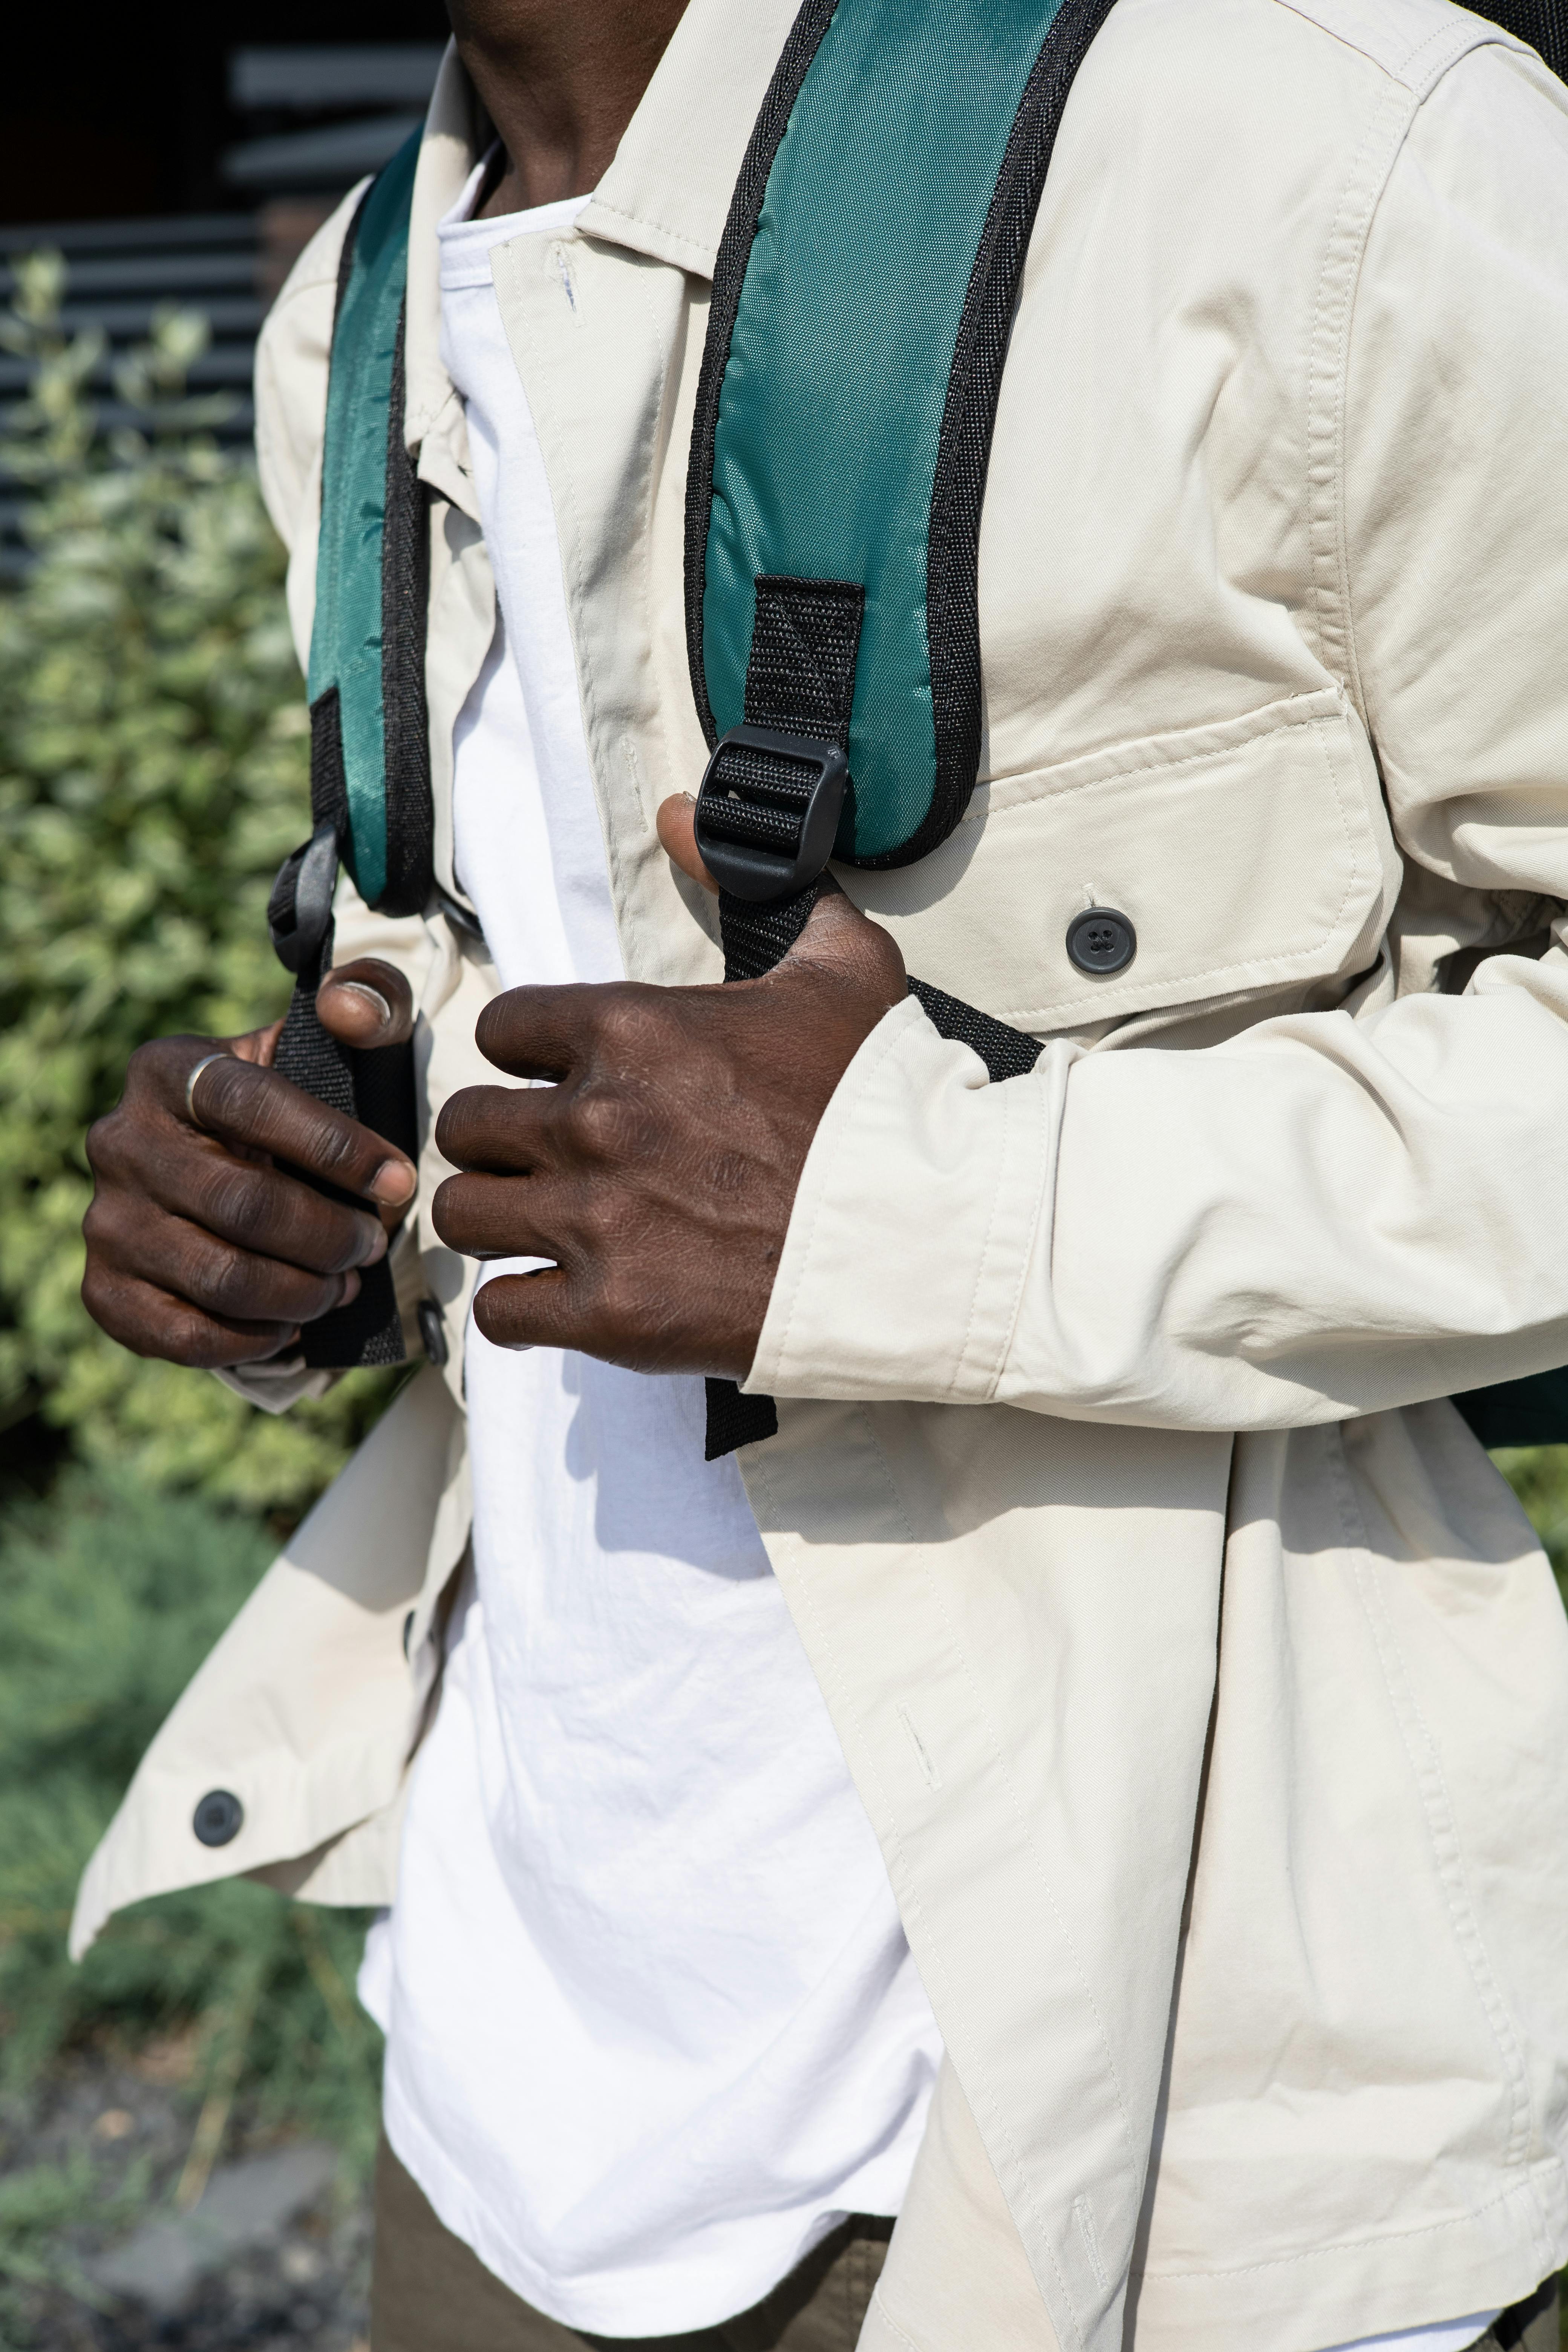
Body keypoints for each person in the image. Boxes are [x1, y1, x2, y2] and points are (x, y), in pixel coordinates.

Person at [72, 0, 1568, 2344]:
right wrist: (311, 1227)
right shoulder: (347, 309)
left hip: (1149, 2158)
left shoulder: (1325, 147)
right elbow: (518, 1027)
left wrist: (918, 1212)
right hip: (497, 2112)